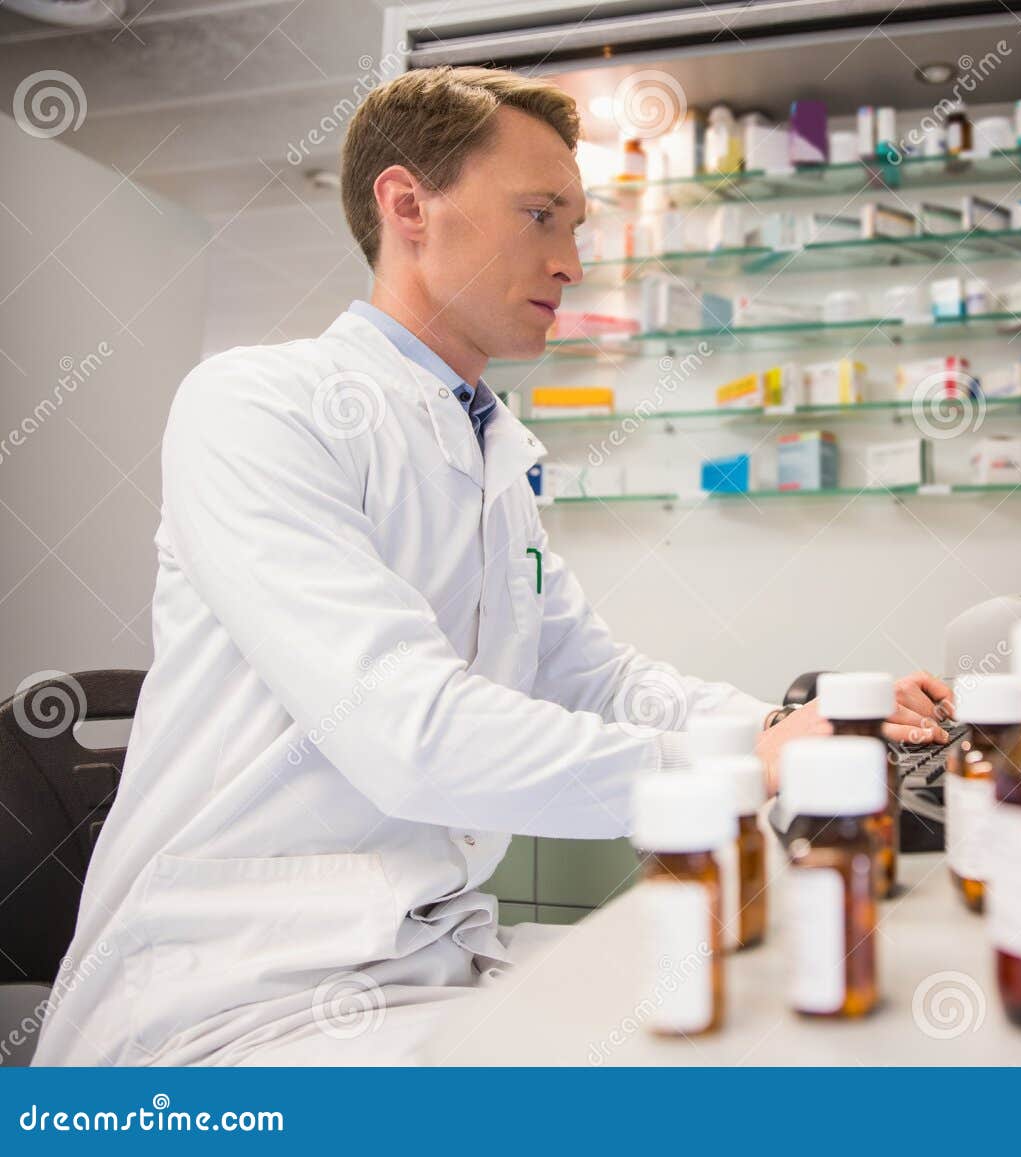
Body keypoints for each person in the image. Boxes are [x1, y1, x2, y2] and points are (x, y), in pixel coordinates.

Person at [33, 67, 953, 1066]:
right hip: (236, 996)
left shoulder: (489, 451)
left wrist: (784, 726)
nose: (571, 262)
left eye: (576, 227)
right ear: (407, 206)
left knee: (765, 1024)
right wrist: (740, 763)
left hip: (425, 962)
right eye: (540, 216)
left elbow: (595, 676)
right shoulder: (257, 407)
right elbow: (408, 729)